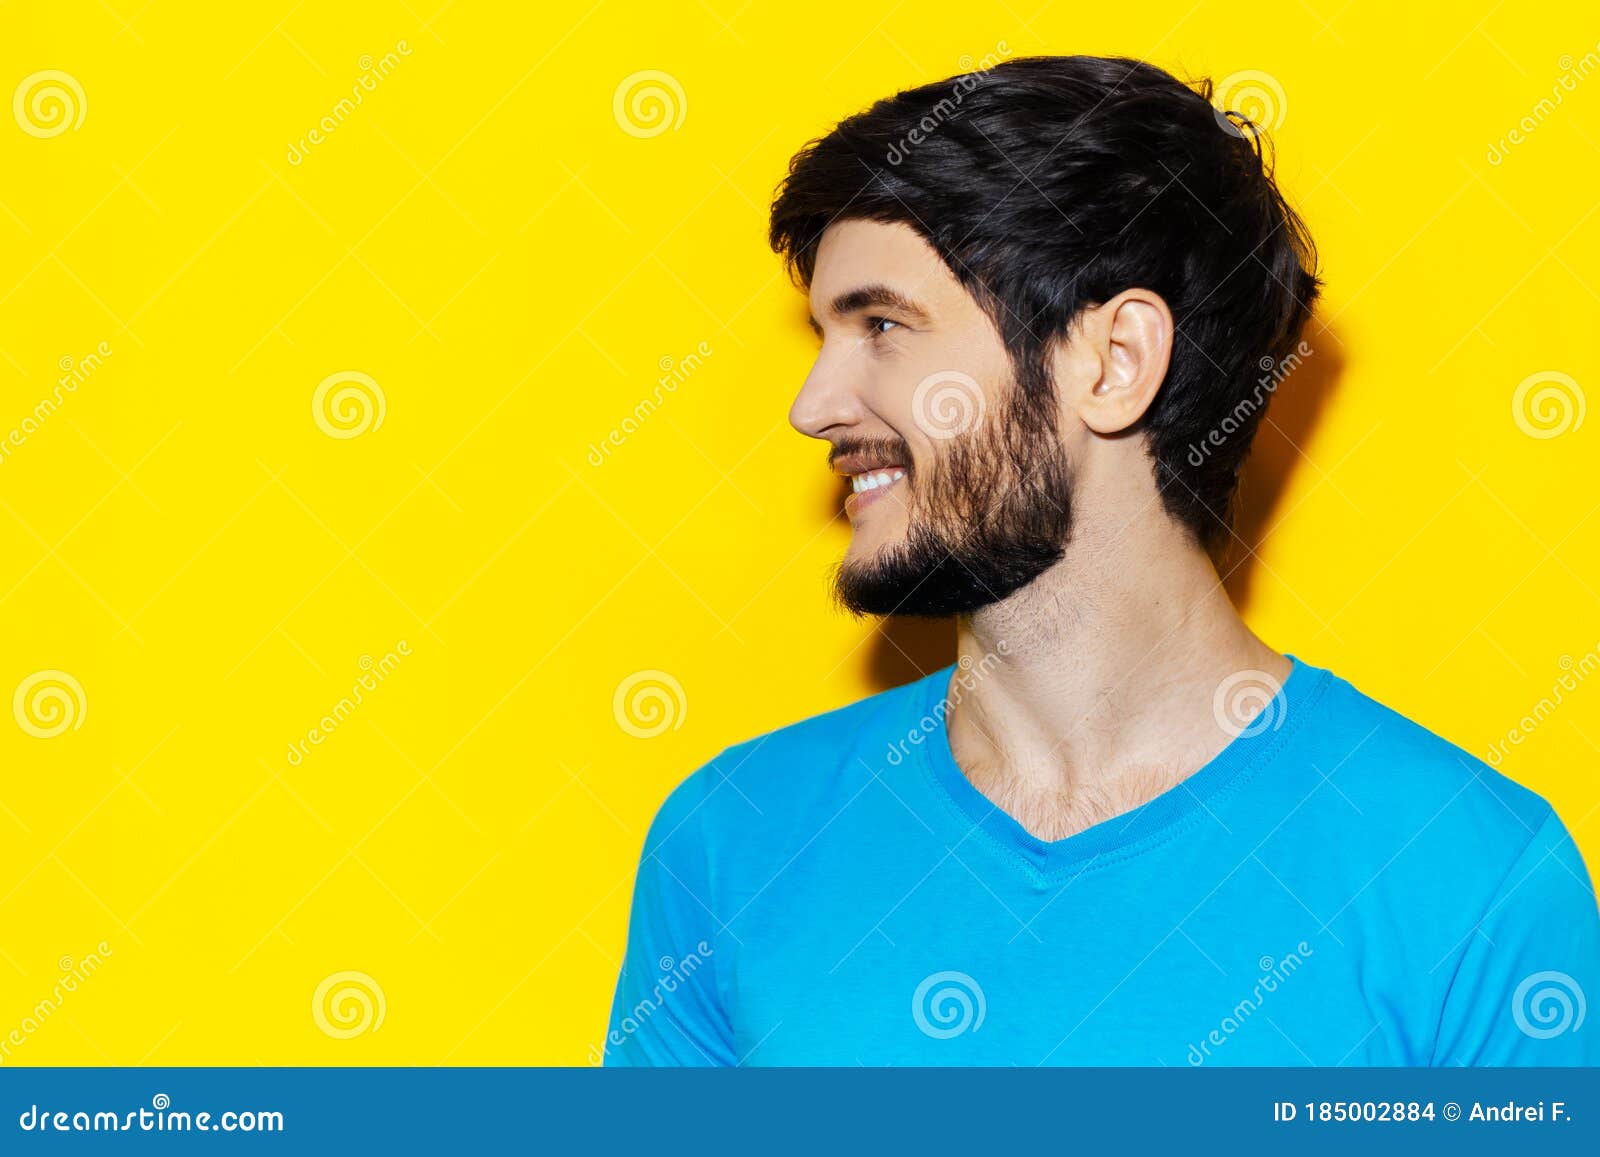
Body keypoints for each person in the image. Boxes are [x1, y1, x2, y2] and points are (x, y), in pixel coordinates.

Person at [603, 54, 1600, 1066]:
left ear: (1115, 361)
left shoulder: (1466, 879)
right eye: (825, 333)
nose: (813, 405)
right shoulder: (734, 843)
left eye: (884, 326)